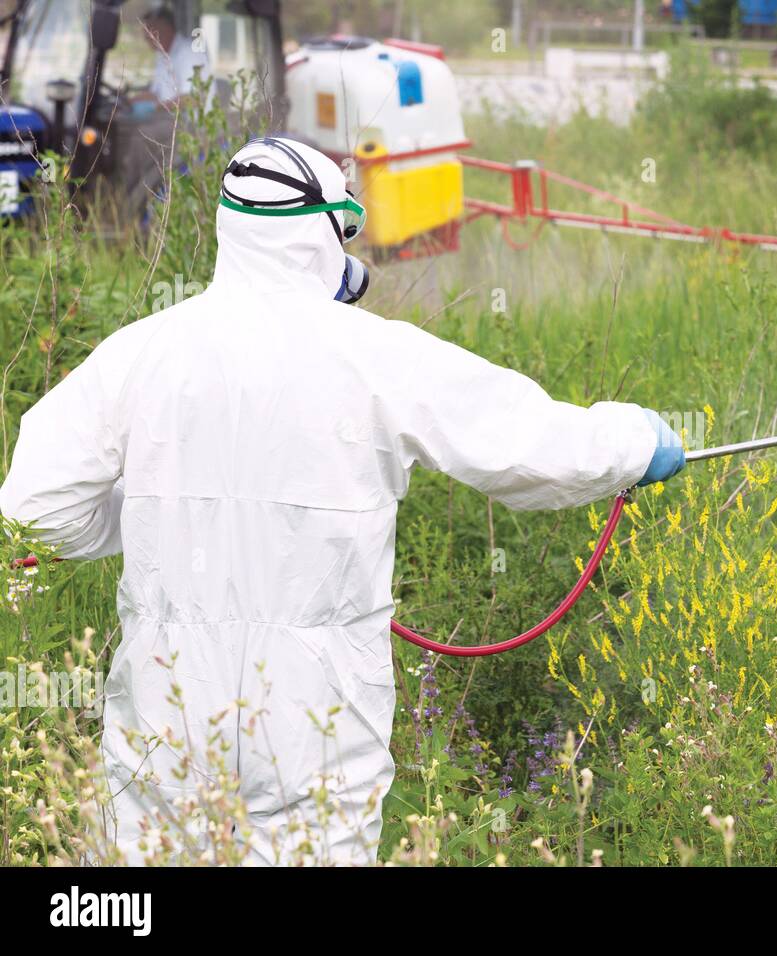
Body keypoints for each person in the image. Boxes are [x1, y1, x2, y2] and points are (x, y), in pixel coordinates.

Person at [0, 137, 685, 865]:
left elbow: (36, 508)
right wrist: (634, 442)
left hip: (167, 712)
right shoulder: (375, 354)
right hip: (313, 718)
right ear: (325, 231)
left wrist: (151, 515)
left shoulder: (142, 352)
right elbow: (525, 442)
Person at [136, 5, 211, 109]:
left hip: (190, 123)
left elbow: (192, 99)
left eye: (149, 29)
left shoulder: (189, 53)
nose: (145, 36)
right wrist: (128, 101)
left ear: (165, 28)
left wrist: (156, 108)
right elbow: (156, 94)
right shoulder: (162, 55)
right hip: (170, 119)